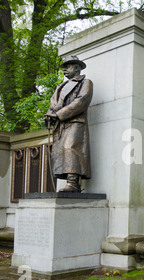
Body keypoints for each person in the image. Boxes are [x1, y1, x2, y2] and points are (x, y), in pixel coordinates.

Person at [44, 56, 93, 192]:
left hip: (75, 122)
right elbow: (53, 104)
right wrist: (49, 115)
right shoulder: (60, 87)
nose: (64, 70)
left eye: (68, 66)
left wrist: (59, 114)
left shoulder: (85, 82)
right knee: (59, 151)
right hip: (60, 125)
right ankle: (71, 183)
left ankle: (73, 183)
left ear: (77, 67)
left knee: (71, 148)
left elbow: (81, 101)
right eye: (63, 67)